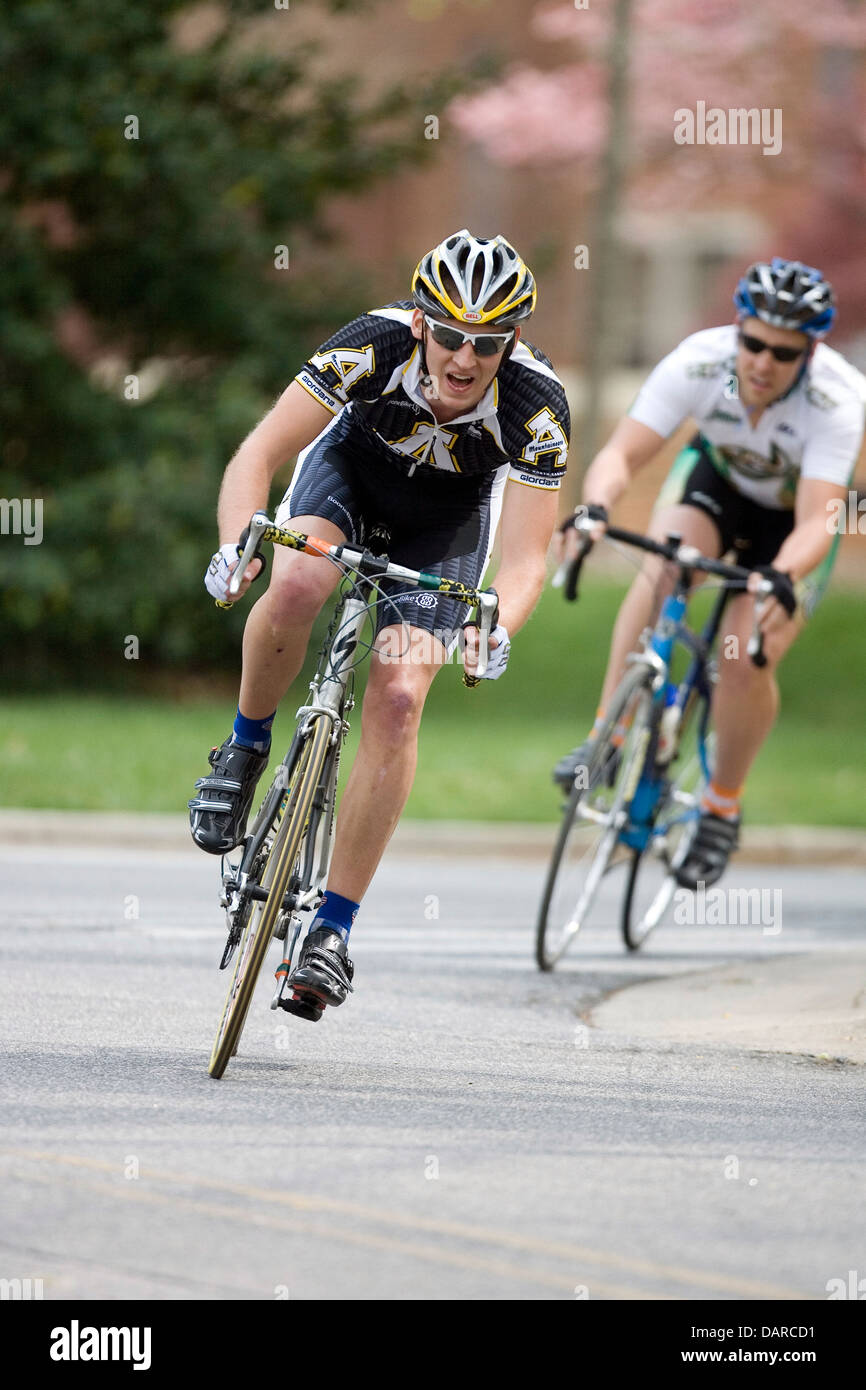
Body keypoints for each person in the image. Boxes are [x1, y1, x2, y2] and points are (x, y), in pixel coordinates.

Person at [189, 229, 570, 1017]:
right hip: (348, 480)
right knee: (297, 581)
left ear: (514, 342)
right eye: (453, 337)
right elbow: (259, 455)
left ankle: (331, 931)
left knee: (398, 698)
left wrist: (499, 628)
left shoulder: (538, 408)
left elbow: (530, 560)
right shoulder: (372, 344)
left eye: (489, 344)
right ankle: (245, 747)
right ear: (422, 323)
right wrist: (235, 544)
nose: (466, 361)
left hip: (448, 523)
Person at [553, 257, 866, 887]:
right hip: (715, 489)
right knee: (664, 569)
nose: (762, 363)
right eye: (752, 342)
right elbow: (621, 453)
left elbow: (818, 520)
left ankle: (722, 803)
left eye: (783, 352)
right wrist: (595, 508)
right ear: (738, 329)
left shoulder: (837, 398)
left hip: (790, 524)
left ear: (809, 352)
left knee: (745, 653)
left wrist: (777, 576)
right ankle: (605, 738)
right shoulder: (699, 361)